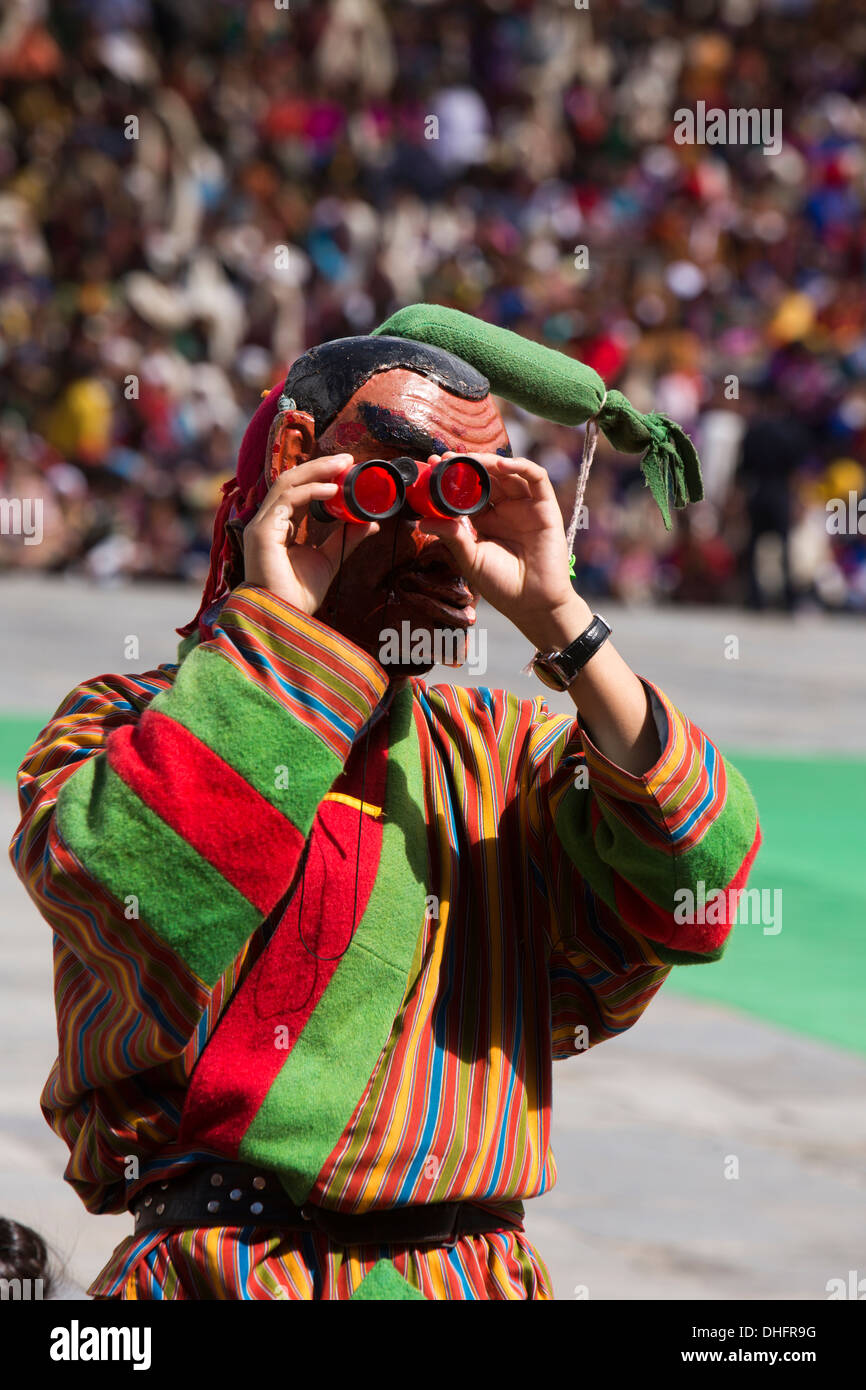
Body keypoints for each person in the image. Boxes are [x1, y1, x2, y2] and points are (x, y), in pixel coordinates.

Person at [10, 305, 760, 1301]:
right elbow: (137, 884)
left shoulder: (497, 752)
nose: (447, 545)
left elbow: (697, 877)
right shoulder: (125, 726)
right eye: (401, 486)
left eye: (471, 497)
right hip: (217, 1273)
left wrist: (563, 623)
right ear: (294, 469)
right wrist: (278, 626)